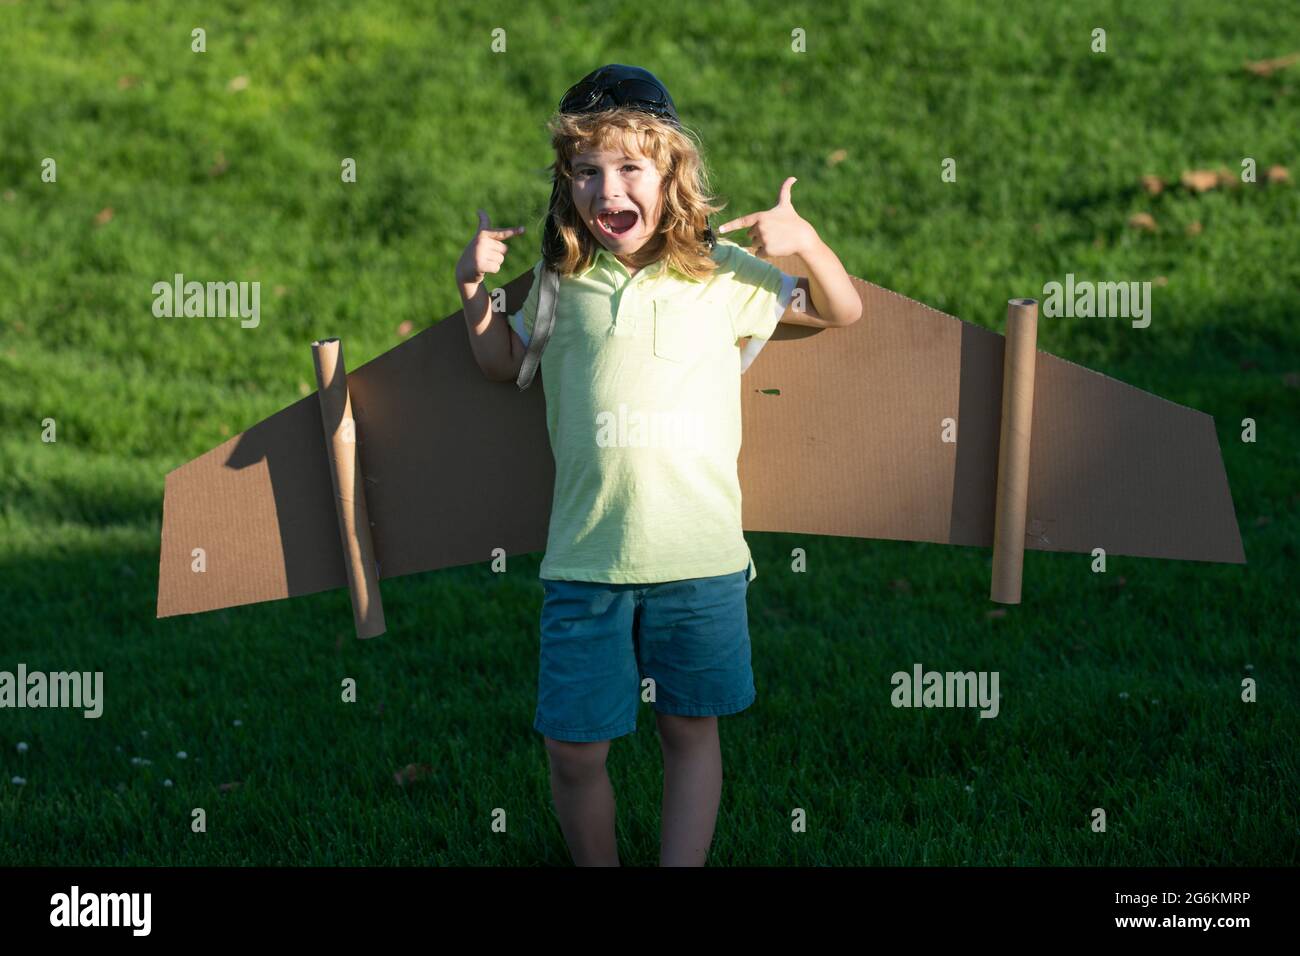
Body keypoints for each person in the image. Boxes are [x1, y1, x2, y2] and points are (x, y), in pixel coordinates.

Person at [453, 64, 862, 866]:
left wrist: (807, 245)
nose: (608, 188)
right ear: (567, 185)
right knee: (573, 749)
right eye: (587, 171)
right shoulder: (560, 284)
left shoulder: (722, 277)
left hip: (699, 561)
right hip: (585, 562)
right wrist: (473, 286)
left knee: (687, 728)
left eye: (630, 167)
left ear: (672, 175)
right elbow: (503, 364)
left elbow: (839, 312)